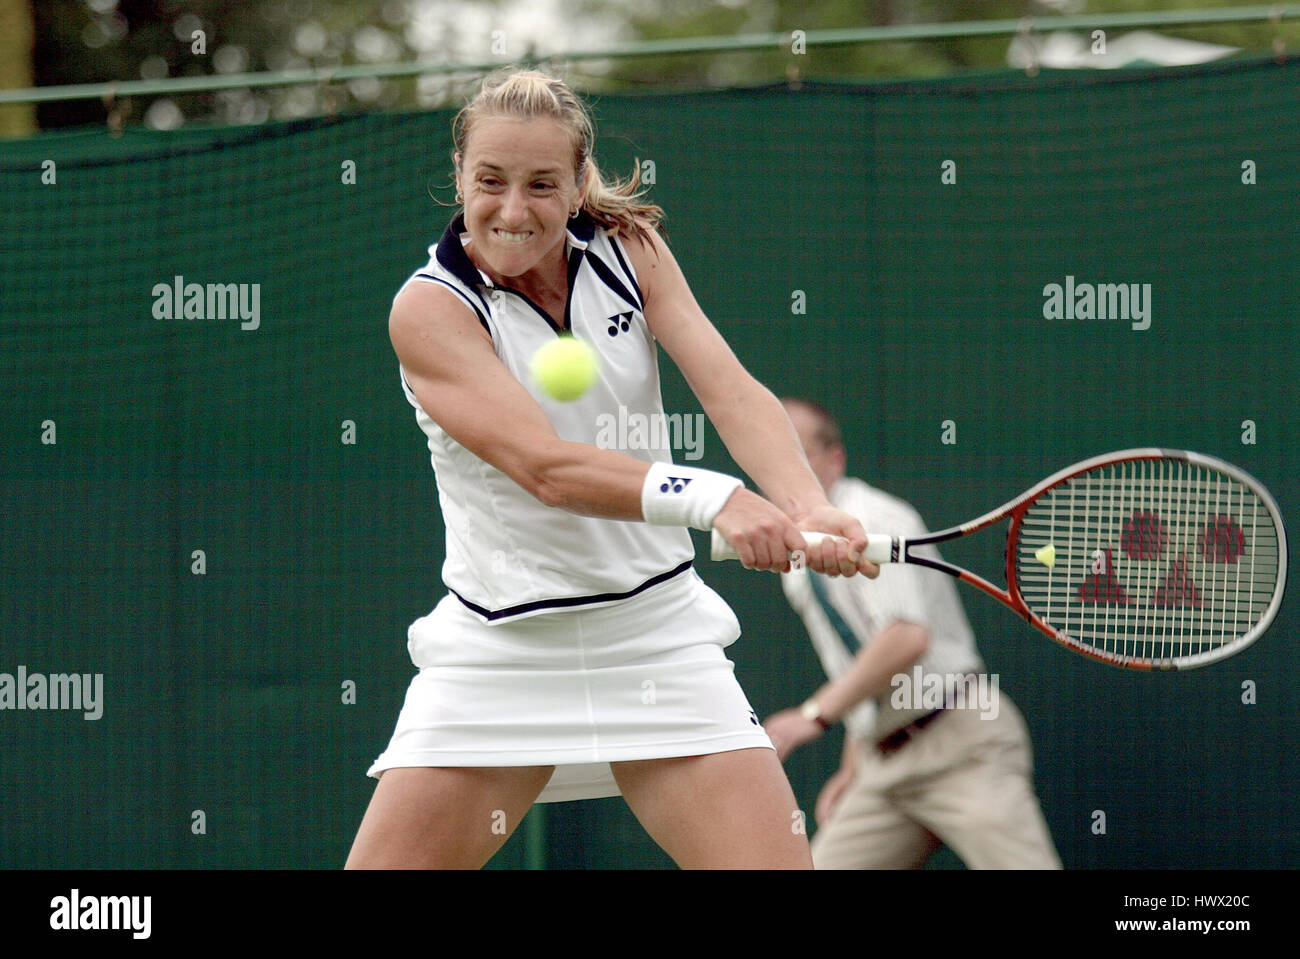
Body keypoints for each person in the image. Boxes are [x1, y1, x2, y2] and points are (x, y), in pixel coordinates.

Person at [344, 70, 879, 870]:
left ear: (577, 184)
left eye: (542, 185)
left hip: (657, 639)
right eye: (490, 181)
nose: (513, 210)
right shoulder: (430, 309)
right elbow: (547, 468)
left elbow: (729, 389)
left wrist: (807, 502)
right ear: (459, 176)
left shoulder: (630, 250)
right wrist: (721, 499)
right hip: (503, 651)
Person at [761, 398, 1062, 870]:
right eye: (771, 453)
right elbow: (860, 658)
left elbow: (905, 637)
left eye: (798, 453)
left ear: (834, 459)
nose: (781, 468)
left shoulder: (875, 519)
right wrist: (855, 759)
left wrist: (813, 715)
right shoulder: (797, 555)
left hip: (960, 748)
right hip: (883, 768)